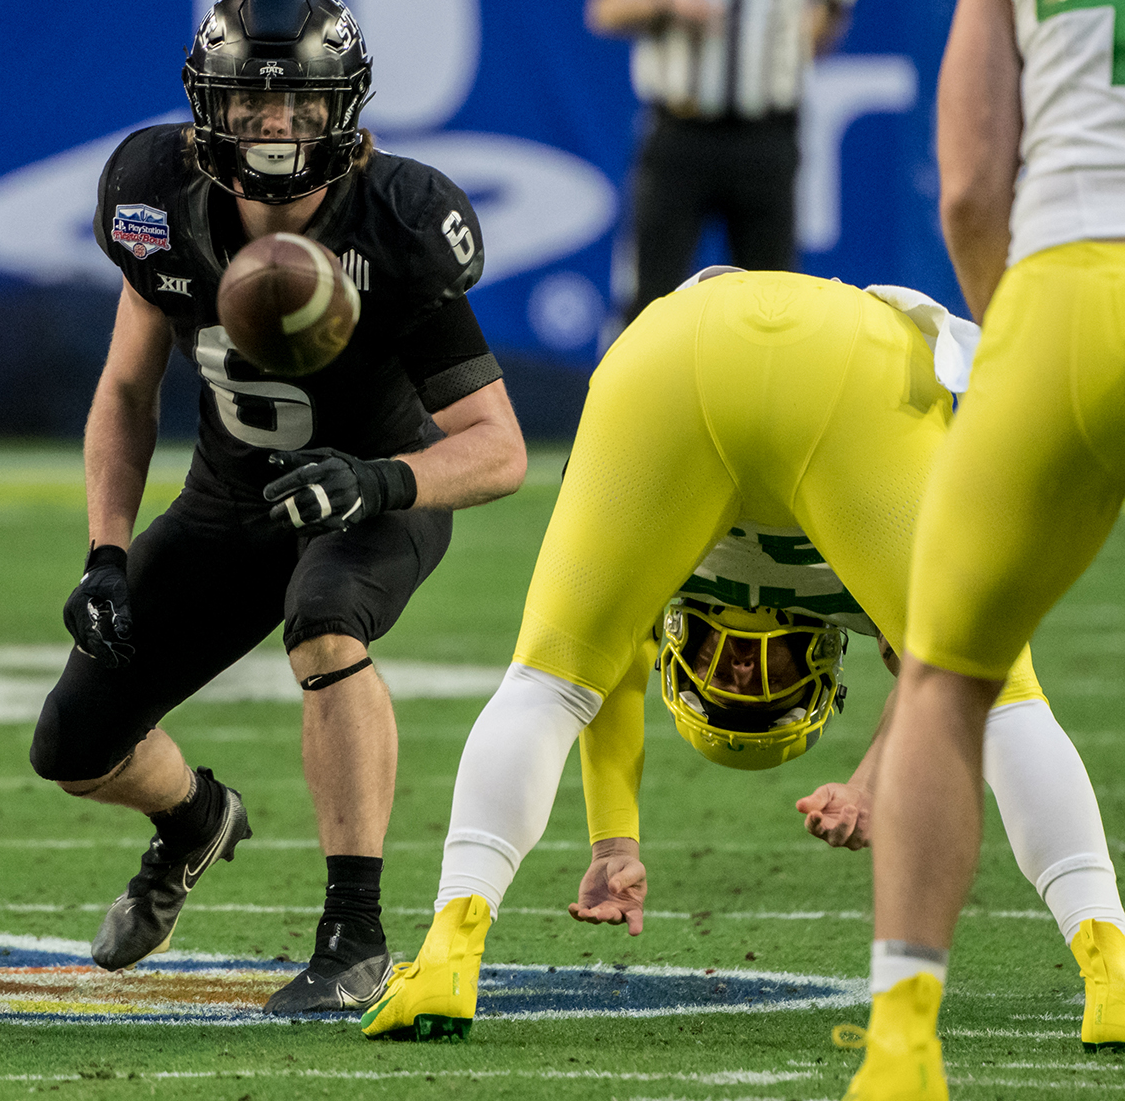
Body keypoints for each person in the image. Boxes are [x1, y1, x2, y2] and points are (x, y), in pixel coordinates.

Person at [357, 268, 1125, 1050]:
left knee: (546, 682)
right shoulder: (858, 596)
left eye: (720, 683)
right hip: (838, 366)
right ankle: (1114, 969)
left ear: (678, 656)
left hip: (682, 359)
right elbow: (940, 684)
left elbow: (605, 673)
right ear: (822, 667)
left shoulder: (681, 587)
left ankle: (449, 953)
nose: (745, 671)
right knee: (998, 693)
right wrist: (868, 781)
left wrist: (616, 838)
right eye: (768, 686)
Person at [28, 0, 527, 1014]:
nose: (273, 124)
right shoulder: (158, 196)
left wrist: (379, 481)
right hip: (231, 497)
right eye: (252, 99)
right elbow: (125, 391)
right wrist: (105, 552)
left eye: (299, 100)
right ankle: (192, 818)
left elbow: (498, 448)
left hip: (374, 490)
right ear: (207, 105)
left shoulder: (397, 220)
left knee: (325, 620)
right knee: (73, 745)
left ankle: (355, 936)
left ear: (342, 108)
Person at [845, 0, 1125, 1093]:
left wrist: (1023, 353)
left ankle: (904, 1043)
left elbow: (967, 185)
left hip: (1067, 283)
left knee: (949, 676)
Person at [588, 0, 857, 327]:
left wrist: (793, 40)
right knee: (651, 299)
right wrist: (666, 1)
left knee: (772, 304)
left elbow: (835, 1)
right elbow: (605, 8)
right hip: (681, 132)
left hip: (766, 138)